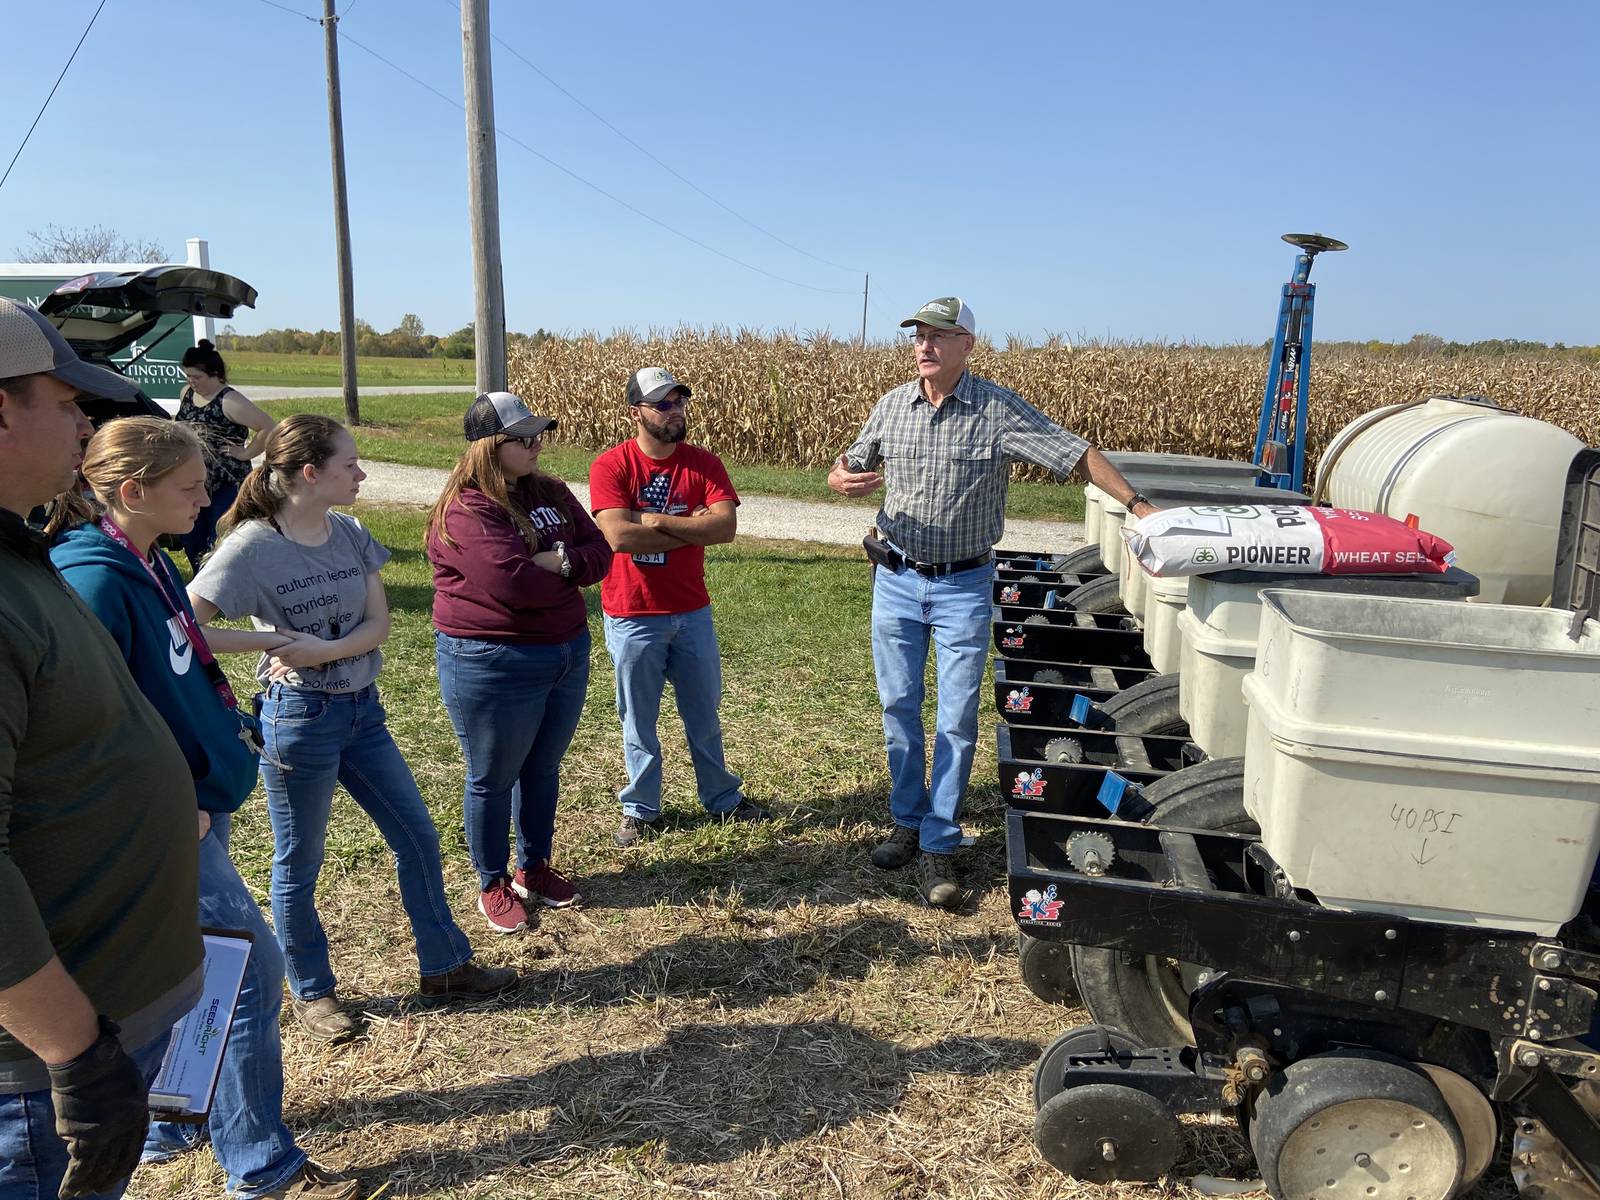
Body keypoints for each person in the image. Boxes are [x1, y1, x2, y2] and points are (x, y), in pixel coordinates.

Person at [45, 417, 360, 1199]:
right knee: (248, 967)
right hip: (160, 818)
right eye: (189, 489)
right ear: (133, 491)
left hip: (188, 799)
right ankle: (264, 1168)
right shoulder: (92, 579)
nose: (205, 500)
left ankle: (168, 1119)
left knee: (182, 970)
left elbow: (180, 651)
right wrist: (159, 805)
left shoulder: (143, 559)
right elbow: (86, 720)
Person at [189, 413, 515, 1044]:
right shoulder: (252, 547)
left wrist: (319, 652)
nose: (361, 473)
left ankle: (444, 966)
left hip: (363, 712)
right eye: (349, 465)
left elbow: (378, 626)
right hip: (298, 721)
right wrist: (275, 641)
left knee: (417, 834)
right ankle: (313, 992)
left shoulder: (351, 533)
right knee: (298, 862)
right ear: (309, 474)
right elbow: (190, 627)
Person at [828, 296, 1157, 909]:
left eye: (940, 336)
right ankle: (905, 819)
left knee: (955, 718)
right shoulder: (891, 407)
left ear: (967, 345)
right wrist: (841, 479)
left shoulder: (995, 409)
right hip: (896, 579)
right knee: (898, 705)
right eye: (919, 335)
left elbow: (1074, 452)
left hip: (963, 587)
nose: (925, 345)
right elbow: (846, 466)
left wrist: (1139, 508)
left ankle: (939, 841)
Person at [0, 296, 203, 1200]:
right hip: (39, 1073)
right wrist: (73, 1055)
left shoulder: (18, 554)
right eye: (66, 401)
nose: (87, 423)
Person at [426, 393, 612, 934]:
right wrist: (562, 573)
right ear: (491, 446)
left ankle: (534, 866)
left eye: (538, 436)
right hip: (495, 660)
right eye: (523, 438)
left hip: (564, 652)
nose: (536, 446)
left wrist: (557, 560)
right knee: (492, 776)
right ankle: (492, 880)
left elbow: (599, 549)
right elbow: (511, 583)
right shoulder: (468, 507)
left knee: (542, 767)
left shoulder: (549, 490)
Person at [588, 367, 770, 847]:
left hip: (691, 611)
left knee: (704, 713)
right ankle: (642, 808)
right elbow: (618, 536)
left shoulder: (703, 464)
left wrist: (656, 520)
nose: (675, 412)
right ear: (637, 413)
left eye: (679, 402)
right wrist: (688, 523)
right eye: (663, 404)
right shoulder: (611, 465)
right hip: (632, 612)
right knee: (638, 717)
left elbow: (724, 529)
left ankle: (722, 799)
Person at [174, 338, 275, 570]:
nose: (192, 381)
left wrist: (245, 452)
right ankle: (202, 578)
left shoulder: (229, 400)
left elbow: (268, 427)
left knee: (221, 534)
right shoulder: (186, 394)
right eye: (188, 376)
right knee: (191, 534)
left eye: (197, 377)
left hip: (226, 481)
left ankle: (225, 583)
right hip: (194, 479)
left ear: (216, 374)